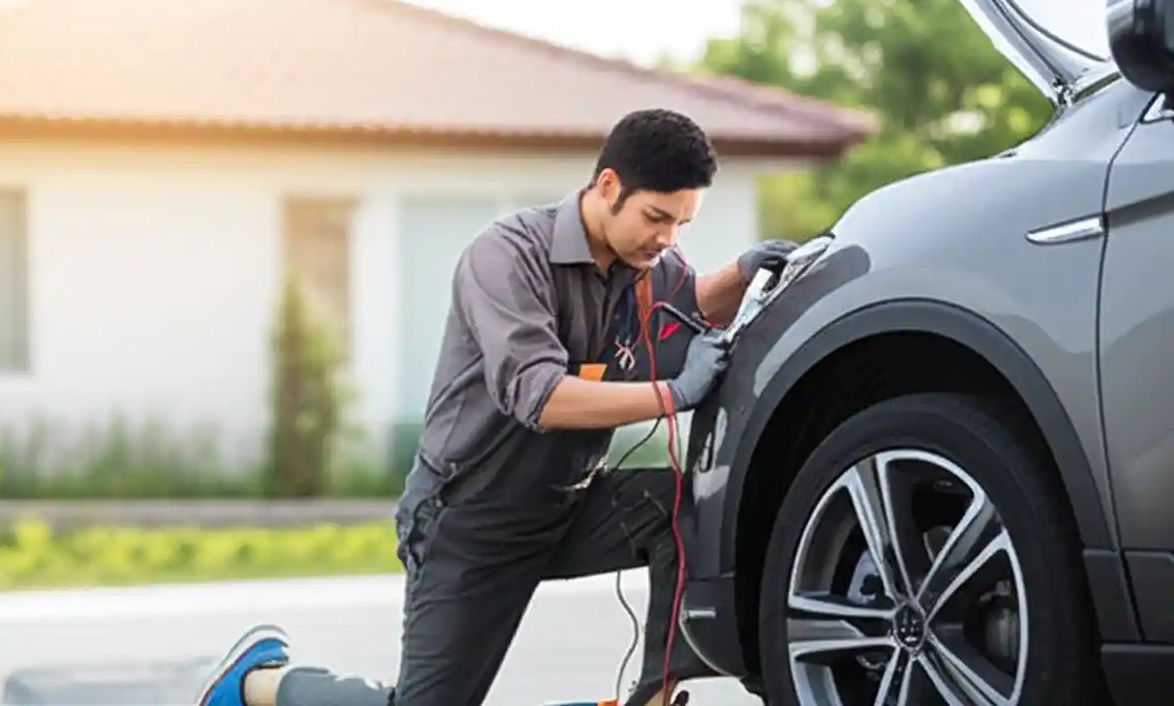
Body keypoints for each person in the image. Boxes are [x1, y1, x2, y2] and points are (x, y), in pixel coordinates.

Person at [194, 108, 797, 706]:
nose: (667, 239)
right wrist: (675, 394)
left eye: (682, 224)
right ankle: (256, 684)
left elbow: (684, 311)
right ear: (608, 186)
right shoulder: (508, 256)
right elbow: (539, 394)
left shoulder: (648, 266)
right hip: (470, 519)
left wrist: (741, 276)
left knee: (681, 502)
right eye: (656, 218)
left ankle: (656, 693)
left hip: (567, 507)